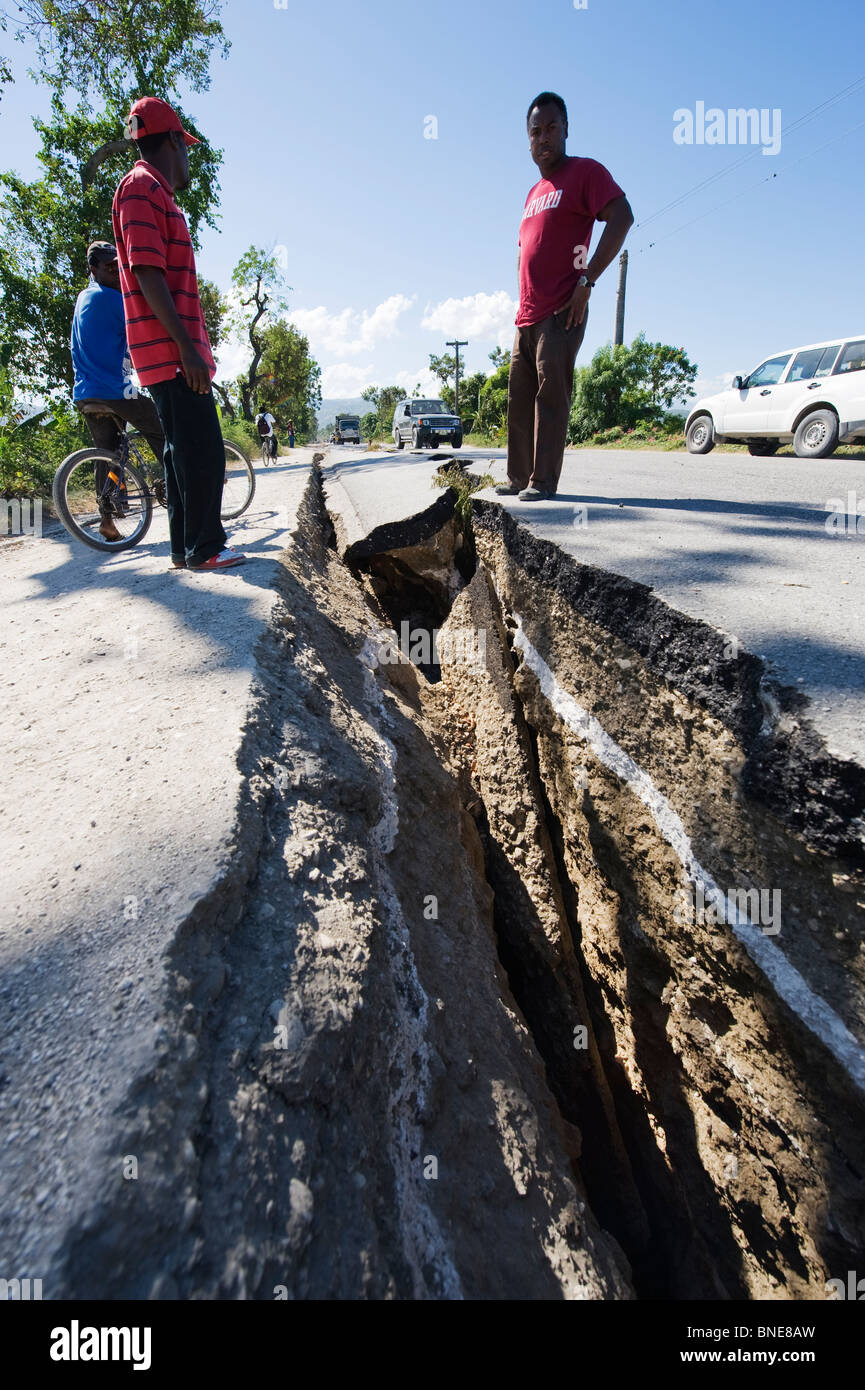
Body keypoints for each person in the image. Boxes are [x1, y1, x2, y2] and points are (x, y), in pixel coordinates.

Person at [111, 96, 245, 571]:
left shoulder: (153, 193)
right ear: (170, 140)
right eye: (185, 146)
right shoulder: (141, 188)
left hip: (171, 350)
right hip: (170, 352)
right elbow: (147, 274)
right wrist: (187, 350)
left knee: (180, 449)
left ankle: (183, 548)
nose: (188, 157)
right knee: (202, 449)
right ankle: (206, 547)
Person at [497, 92, 633, 501]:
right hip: (527, 314)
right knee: (518, 399)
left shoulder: (585, 173)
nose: (544, 138)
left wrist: (587, 282)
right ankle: (519, 477)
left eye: (551, 128)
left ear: (566, 129)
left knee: (550, 394)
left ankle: (543, 481)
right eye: (535, 132)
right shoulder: (534, 191)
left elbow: (622, 216)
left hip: (562, 308)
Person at [70, 241, 166, 541]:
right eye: (109, 266)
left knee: (108, 455)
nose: (115, 271)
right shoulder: (114, 298)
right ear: (93, 269)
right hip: (113, 388)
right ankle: (179, 488)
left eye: (117, 265)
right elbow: (147, 328)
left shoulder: (84, 297)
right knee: (162, 428)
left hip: (86, 392)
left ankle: (107, 521)